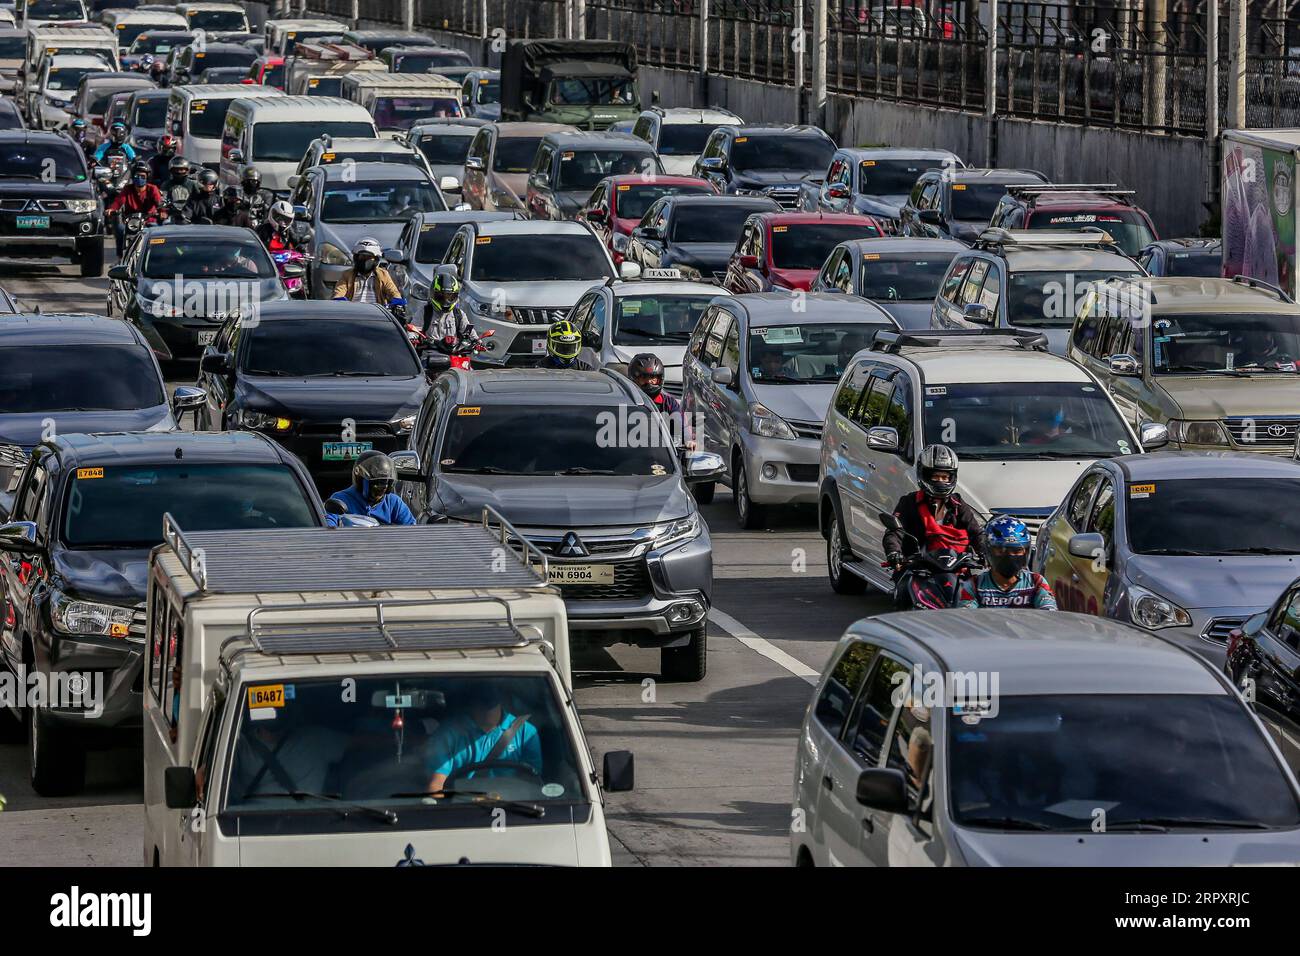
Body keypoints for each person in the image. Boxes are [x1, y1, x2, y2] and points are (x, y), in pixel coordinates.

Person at [424, 681, 541, 795]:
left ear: (501, 697)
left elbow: (530, 784)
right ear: (470, 700)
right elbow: (436, 785)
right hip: (462, 808)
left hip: (514, 807)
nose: (487, 693)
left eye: (492, 690)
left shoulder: (526, 733)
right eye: (482, 699)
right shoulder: (448, 733)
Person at [882, 443, 985, 571]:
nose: (940, 481)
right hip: (916, 570)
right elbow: (894, 533)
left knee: (973, 589)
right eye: (935, 476)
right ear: (924, 475)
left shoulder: (958, 504)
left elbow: (976, 532)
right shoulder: (909, 502)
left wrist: (985, 552)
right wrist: (894, 553)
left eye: (945, 477)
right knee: (902, 589)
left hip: (954, 572)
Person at [956, 516, 1057, 609]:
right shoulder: (975, 586)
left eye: (1016, 551)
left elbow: (1049, 612)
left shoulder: (1036, 582)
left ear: (1026, 552)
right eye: (1002, 551)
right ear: (989, 551)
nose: (1010, 556)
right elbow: (966, 618)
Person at [327, 451, 416, 526]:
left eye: (385, 483)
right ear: (360, 480)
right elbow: (328, 526)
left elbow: (412, 531)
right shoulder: (340, 500)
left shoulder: (394, 502)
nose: (383, 488)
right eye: (376, 483)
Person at [627, 352, 689, 447]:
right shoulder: (626, 402)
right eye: (644, 377)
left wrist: (688, 442)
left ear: (660, 379)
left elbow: (680, 430)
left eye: (652, 378)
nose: (649, 382)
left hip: (662, 454)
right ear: (634, 379)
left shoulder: (670, 403)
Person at [104, 161, 164, 256]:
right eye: (137, 176)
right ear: (133, 176)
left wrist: (162, 212)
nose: (139, 178)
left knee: (158, 234)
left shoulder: (152, 189)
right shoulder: (127, 189)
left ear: (147, 177)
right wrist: (111, 209)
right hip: (131, 223)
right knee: (120, 229)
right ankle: (120, 257)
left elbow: (159, 203)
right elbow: (118, 201)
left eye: (142, 176)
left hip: (149, 222)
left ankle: (157, 257)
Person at [332, 237, 405, 312]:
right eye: (362, 256)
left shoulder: (383, 274)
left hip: (377, 314)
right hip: (352, 312)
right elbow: (339, 290)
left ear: (376, 259)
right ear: (356, 258)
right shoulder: (347, 274)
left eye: (369, 257)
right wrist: (338, 299)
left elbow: (392, 291)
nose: (365, 260)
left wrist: (397, 300)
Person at [422, 269, 476, 341]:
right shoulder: (425, 311)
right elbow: (413, 329)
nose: (446, 301)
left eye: (449, 297)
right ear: (433, 294)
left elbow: (469, 332)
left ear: (456, 296)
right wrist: (412, 337)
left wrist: (477, 342)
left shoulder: (459, 314)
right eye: (441, 296)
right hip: (430, 350)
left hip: (454, 351)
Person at [161, 155, 196, 221]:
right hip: (171, 215)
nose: (179, 172)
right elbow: (162, 199)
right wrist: (164, 210)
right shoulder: (166, 184)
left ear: (187, 170)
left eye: (181, 169)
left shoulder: (193, 184)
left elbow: (199, 200)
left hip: (190, 215)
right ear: (171, 170)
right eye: (176, 169)